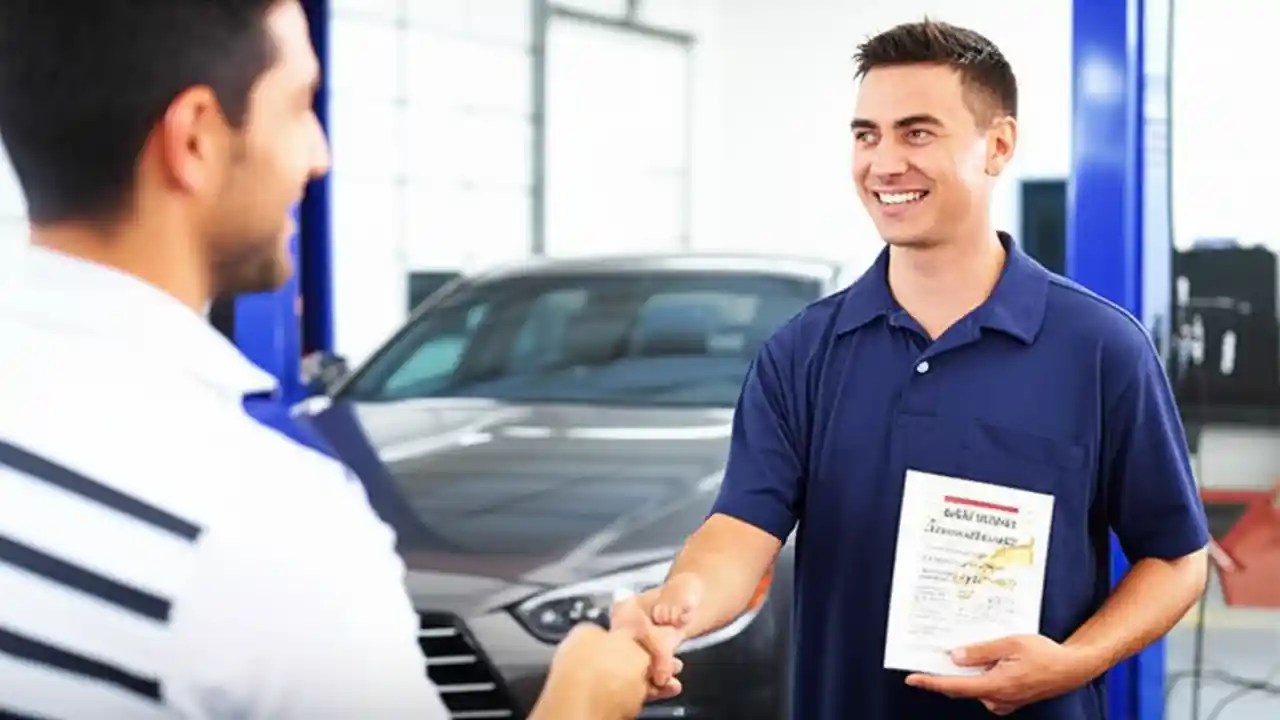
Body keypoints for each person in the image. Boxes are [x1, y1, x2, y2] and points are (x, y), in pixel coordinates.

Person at [0, 1, 651, 718]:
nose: (319, 155)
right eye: (301, 105)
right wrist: (585, 699)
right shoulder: (268, 530)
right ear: (195, 139)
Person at [612, 18, 1211, 720]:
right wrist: (678, 606)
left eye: (917, 133)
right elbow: (740, 530)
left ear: (999, 145)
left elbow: (1174, 558)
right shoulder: (803, 353)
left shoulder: (1100, 348)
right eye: (868, 135)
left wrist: (1075, 663)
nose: (884, 163)